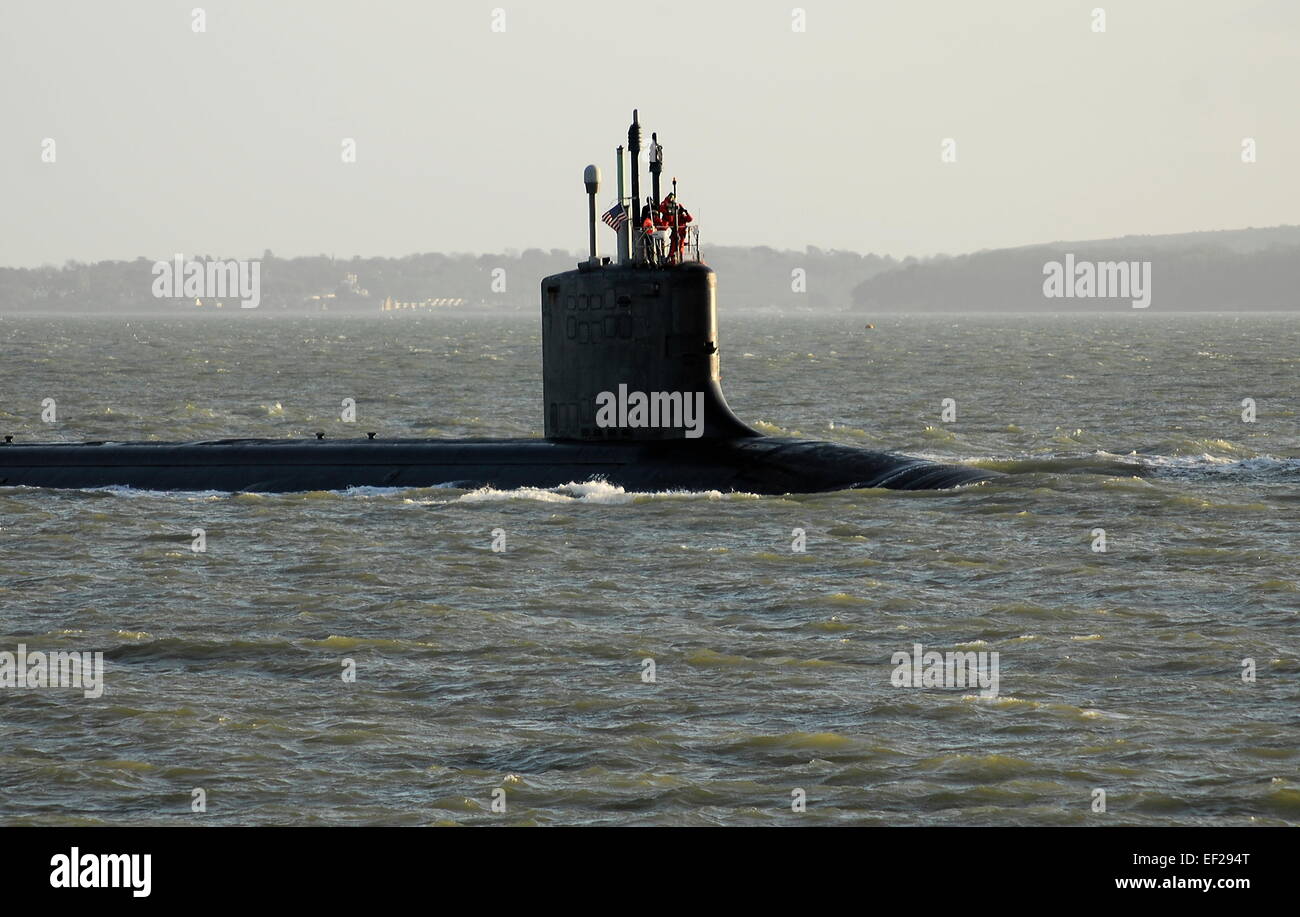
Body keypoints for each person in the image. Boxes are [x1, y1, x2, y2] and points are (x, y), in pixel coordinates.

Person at [659, 193, 693, 263]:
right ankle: (670, 259)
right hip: (675, 233)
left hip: (681, 235)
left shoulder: (682, 217)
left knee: (680, 249)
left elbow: (690, 219)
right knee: (672, 249)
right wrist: (668, 212)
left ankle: (679, 260)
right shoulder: (666, 206)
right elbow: (668, 221)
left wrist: (686, 212)